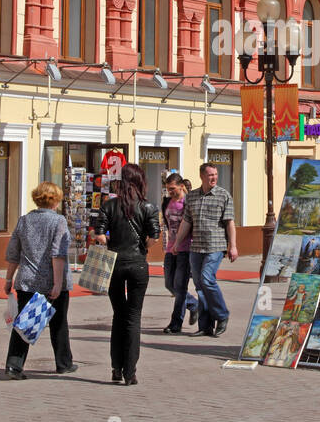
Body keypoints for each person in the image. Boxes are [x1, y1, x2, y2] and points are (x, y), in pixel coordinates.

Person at [94, 163, 161, 384]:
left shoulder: (109, 205)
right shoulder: (149, 207)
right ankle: (130, 372)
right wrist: (143, 245)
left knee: (118, 316)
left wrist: (112, 242)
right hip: (138, 265)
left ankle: (116, 367)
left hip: (114, 263)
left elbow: (100, 236)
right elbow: (154, 237)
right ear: (141, 181)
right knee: (133, 318)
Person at [3, 181, 77, 380]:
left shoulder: (24, 220)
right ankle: (63, 363)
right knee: (59, 323)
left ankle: (14, 365)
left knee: (24, 324)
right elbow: (58, 253)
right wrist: (58, 283)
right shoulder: (58, 221)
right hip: (52, 281)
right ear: (55, 201)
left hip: (27, 281)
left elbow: (13, 253)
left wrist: (8, 278)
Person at [170, 162, 237, 337]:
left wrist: (233, 246)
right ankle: (205, 326)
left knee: (207, 280)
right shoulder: (191, 197)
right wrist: (177, 243)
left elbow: (230, 223)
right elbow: (186, 222)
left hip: (215, 246)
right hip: (196, 247)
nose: (214, 177)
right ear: (202, 176)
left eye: (215, 174)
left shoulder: (224, 196)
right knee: (200, 287)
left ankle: (222, 315)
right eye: (210, 175)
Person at [160, 174, 199, 333]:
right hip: (171, 248)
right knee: (169, 284)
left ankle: (176, 324)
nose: (170, 192)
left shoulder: (189, 203)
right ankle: (194, 305)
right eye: (168, 189)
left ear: (181, 186)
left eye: (173, 189)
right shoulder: (167, 202)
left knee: (180, 286)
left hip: (186, 249)